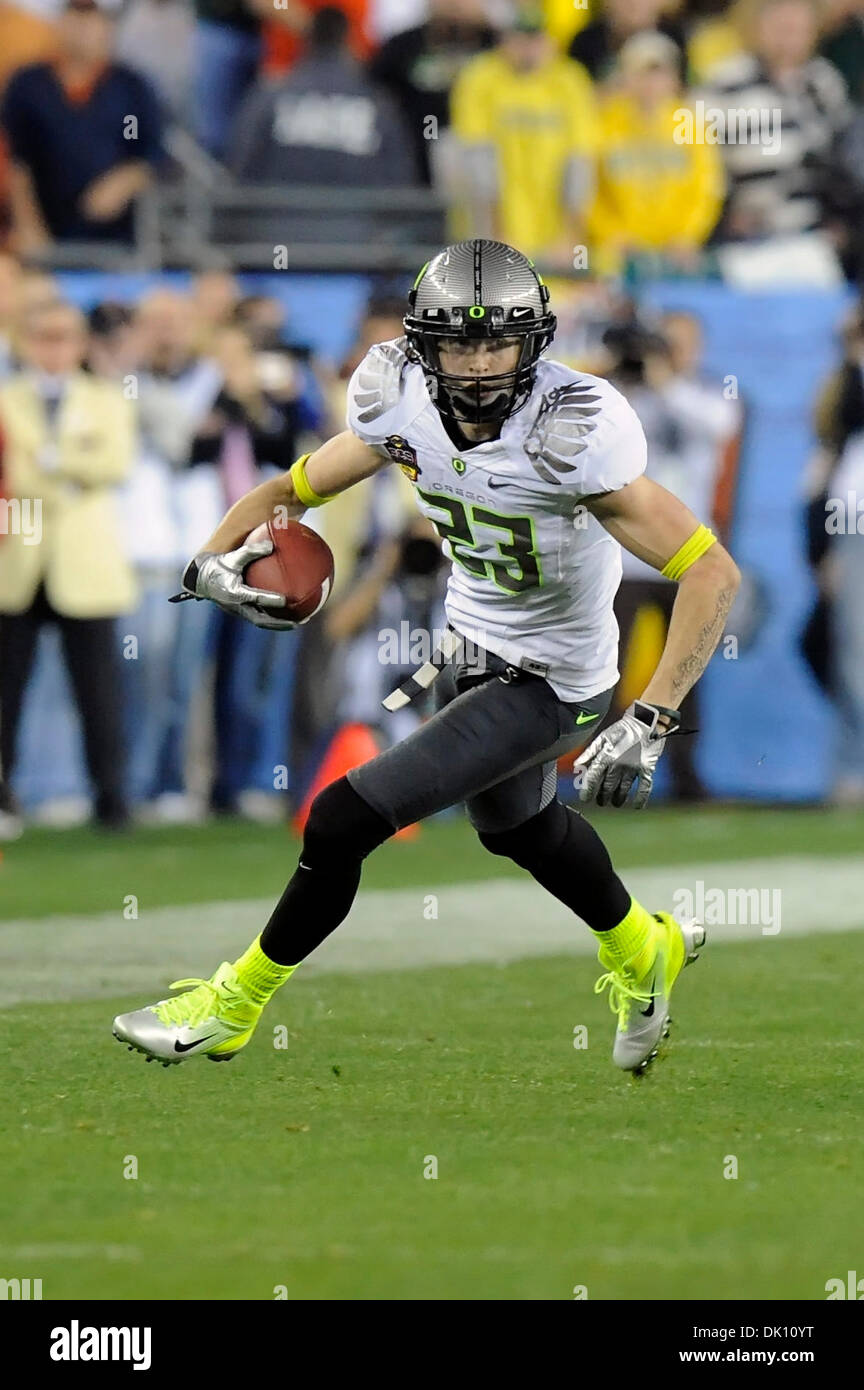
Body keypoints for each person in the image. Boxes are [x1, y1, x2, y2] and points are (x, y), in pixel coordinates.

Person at [113, 238, 740, 1076]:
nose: (479, 363)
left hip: (556, 679)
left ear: (536, 341)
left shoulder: (576, 429)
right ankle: (643, 947)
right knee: (519, 830)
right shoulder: (395, 395)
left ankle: (232, 1006)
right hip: (470, 642)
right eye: (458, 341)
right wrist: (211, 566)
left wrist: (651, 714)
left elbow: (711, 569)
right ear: (420, 346)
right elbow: (288, 491)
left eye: (497, 341)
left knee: (341, 818)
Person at [0, 299, 136, 834]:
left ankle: (112, 799)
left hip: (85, 561)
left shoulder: (107, 399)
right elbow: (13, 473)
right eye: (43, 337)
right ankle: (5, 796)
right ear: (26, 342)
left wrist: (50, 462)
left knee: (98, 690)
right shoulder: (8, 400)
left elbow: (114, 462)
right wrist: (70, 470)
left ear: (80, 344)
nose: (53, 349)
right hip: (20, 555)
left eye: (63, 337)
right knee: (7, 689)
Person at [1, 0, 163, 250]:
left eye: (91, 17)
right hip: (47, 232)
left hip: (113, 239)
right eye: (76, 15)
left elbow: (138, 148)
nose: (83, 27)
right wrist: (28, 225)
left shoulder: (128, 91)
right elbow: (19, 160)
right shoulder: (29, 86)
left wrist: (124, 179)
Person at [449, 7, 598, 267]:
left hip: (553, 226)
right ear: (504, 39)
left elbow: (581, 161)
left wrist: (570, 235)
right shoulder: (481, 76)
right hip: (496, 220)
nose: (528, 48)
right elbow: (478, 160)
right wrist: (497, 236)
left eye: (535, 39)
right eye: (519, 38)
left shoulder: (569, 79)